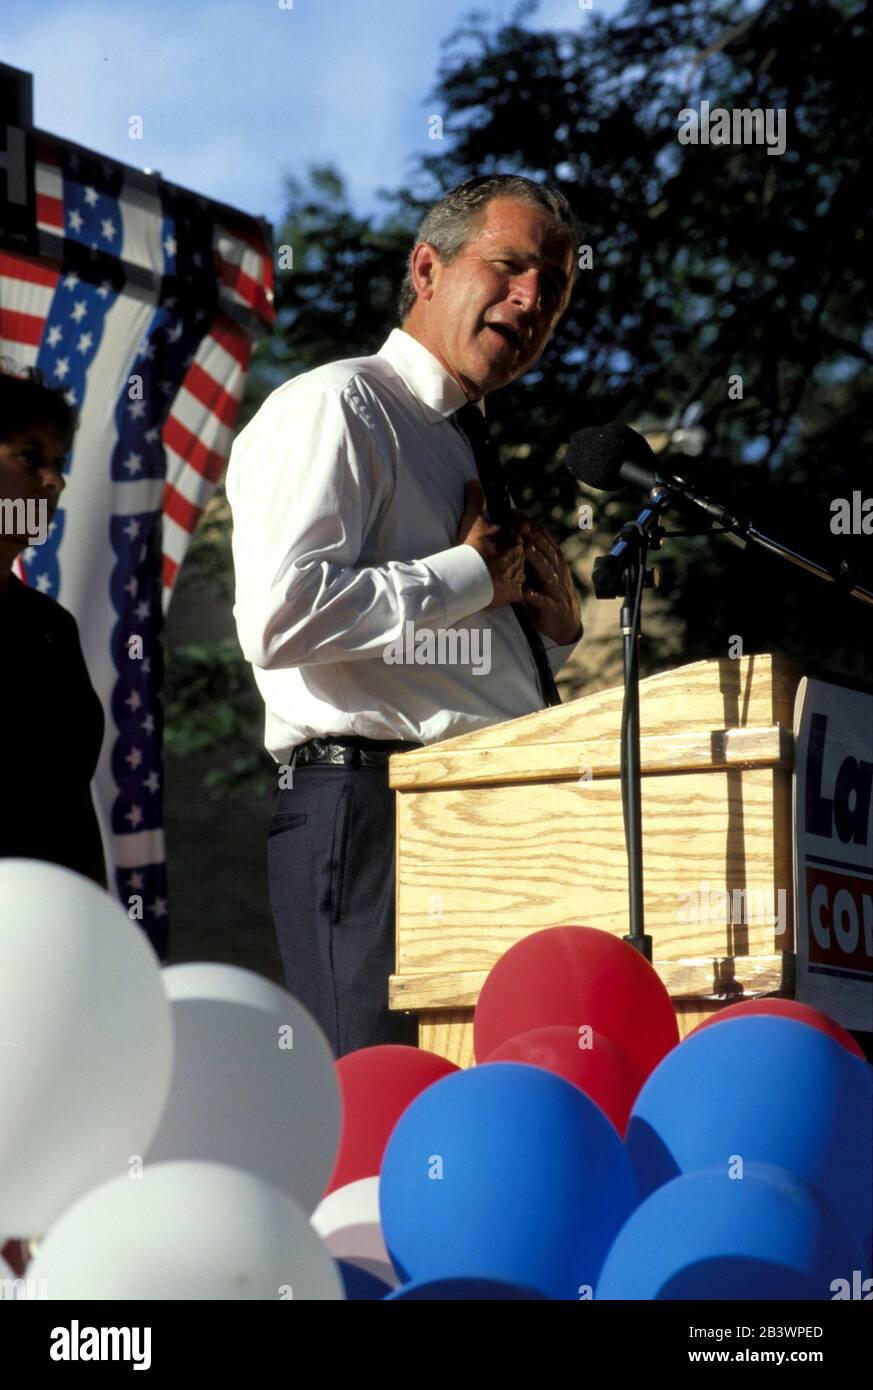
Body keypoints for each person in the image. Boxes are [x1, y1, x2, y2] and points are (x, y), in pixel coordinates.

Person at [227, 174, 583, 1056]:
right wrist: (468, 574)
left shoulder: (462, 436)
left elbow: (437, 655)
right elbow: (280, 617)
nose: (534, 297)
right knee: (385, 1109)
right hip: (375, 809)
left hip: (487, 815)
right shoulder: (338, 404)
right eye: (509, 266)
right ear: (427, 268)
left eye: (558, 283)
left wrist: (550, 632)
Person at [0, 366, 106, 886]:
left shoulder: (51, 627)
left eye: (59, 463)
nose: (54, 480)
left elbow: (69, 812)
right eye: (29, 456)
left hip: (53, 930)